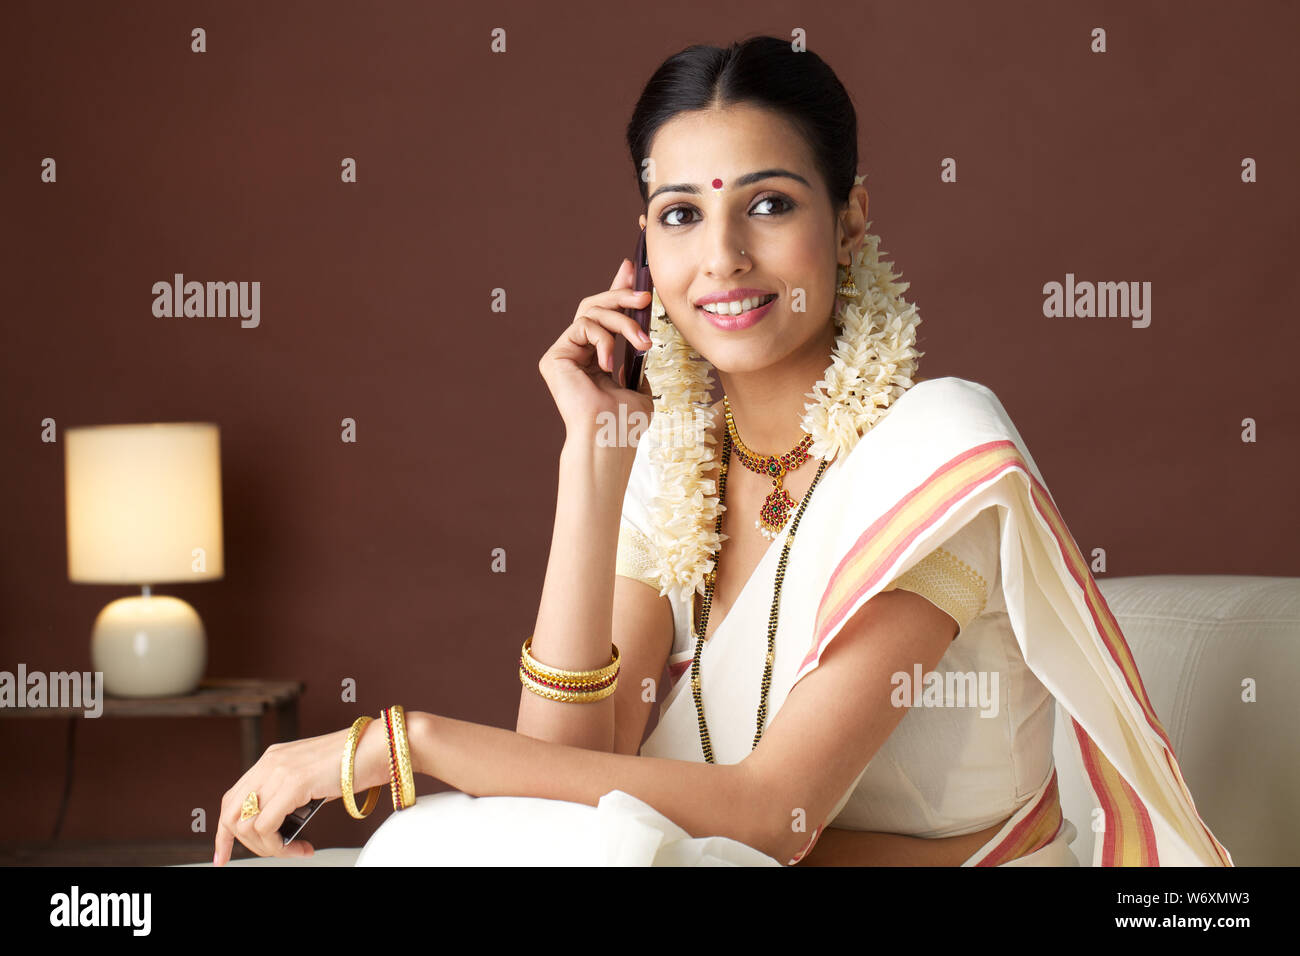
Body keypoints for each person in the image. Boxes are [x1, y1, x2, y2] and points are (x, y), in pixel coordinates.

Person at [212, 36, 1232, 868]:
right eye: (682, 215)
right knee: (442, 845)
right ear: (646, 244)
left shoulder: (935, 450)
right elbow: (560, 769)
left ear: (850, 218)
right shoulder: (680, 457)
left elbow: (768, 814)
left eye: (770, 203)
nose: (723, 257)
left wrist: (403, 741)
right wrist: (594, 456)